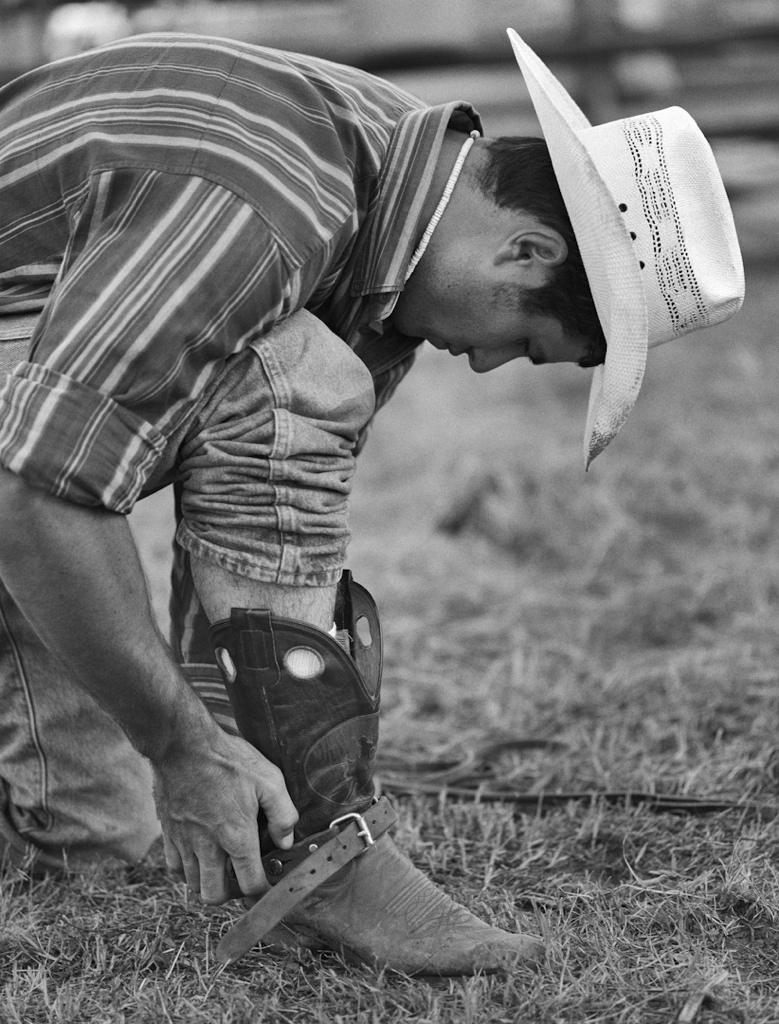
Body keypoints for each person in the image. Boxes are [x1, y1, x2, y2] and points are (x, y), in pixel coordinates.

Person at [0, 28, 743, 975]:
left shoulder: (404, 194)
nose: (483, 362)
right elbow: (34, 488)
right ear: (527, 250)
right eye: (521, 341)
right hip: (20, 453)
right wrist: (182, 749)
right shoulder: (268, 204)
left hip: (22, 387)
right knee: (290, 380)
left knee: (103, 849)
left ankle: (277, 836)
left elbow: (248, 532)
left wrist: (242, 758)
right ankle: (326, 854)